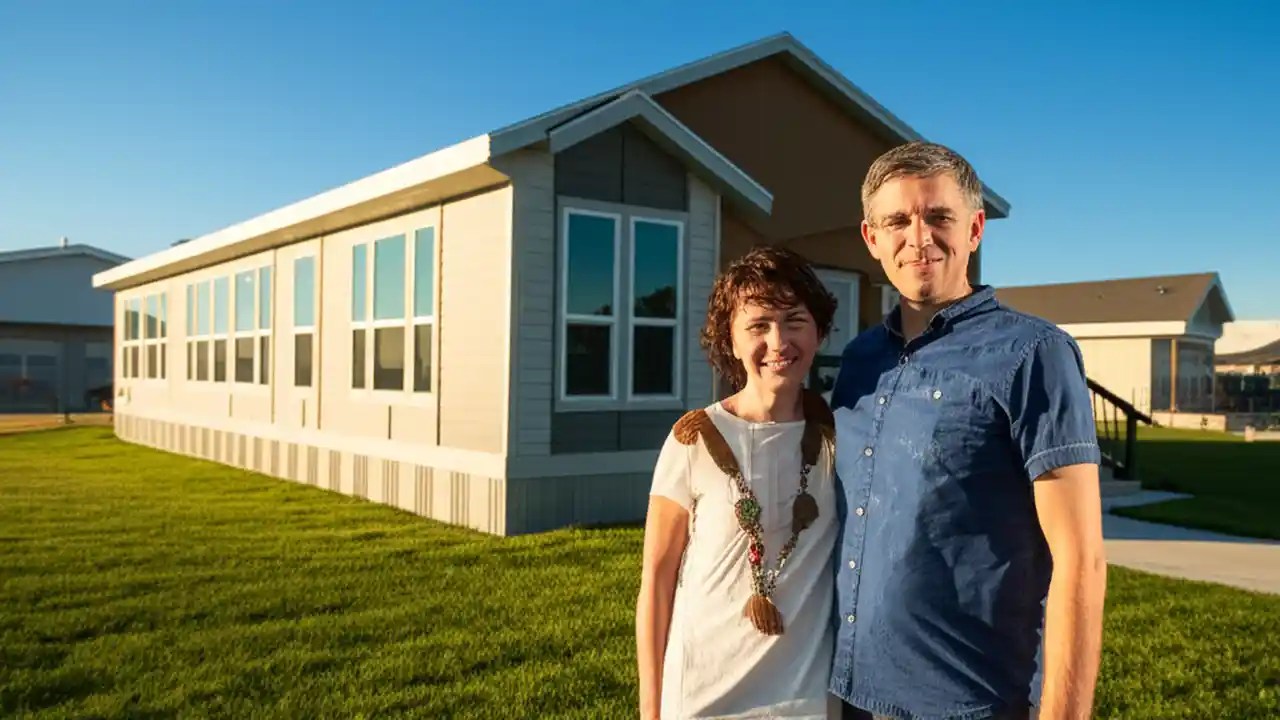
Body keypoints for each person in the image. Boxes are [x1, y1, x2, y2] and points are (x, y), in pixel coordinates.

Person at [828, 142, 1107, 720]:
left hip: (971, 702)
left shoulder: (1034, 354)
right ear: (871, 238)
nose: (919, 237)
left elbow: (1081, 559)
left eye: (939, 217)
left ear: (975, 228)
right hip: (851, 692)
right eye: (897, 221)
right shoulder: (859, 362)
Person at [637, 246, 843, 720]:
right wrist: (651, 707)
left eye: (795, 320)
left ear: (818, 331)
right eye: (758, 325)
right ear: (729, 339)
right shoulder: (692, 439)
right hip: (703, 693)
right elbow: (657, 579)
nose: (778, 341)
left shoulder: (839, 435)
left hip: (804, 696)